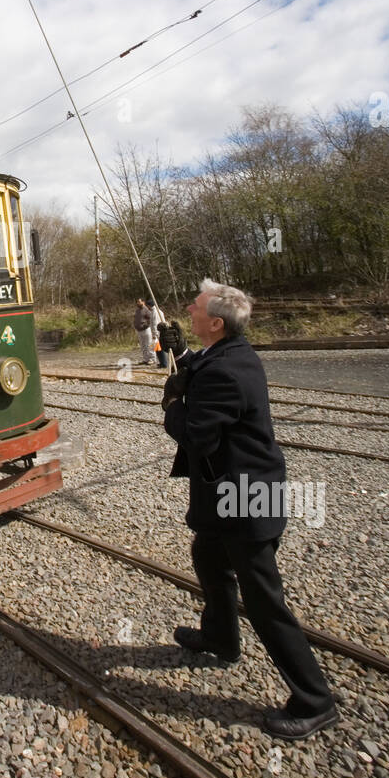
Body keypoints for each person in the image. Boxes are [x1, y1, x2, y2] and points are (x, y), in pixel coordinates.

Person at [158, 280, 338, 740]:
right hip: (230, 494)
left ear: (215, 322)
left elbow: (196, 434)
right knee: (208, 557)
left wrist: (173, 399)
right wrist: (179, 360)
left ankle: (316, 701)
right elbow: (202, 365)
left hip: (246, 500)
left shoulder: (226, 371)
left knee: (264, 601)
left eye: (194, 308)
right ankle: (221, 637)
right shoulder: (225, 353)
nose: (188, 310)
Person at [147, 297, 168, 369]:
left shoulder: (155, 312)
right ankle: (162, 362)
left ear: (149, 305)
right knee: (157, 349)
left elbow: (155, 324)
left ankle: (164, 363)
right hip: (158, 333)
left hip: (158, 333)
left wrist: (155, 334)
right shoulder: (155, 311)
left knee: (159, 349)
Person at [133, 298, 155, 365]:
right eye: (137, 302)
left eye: (139, 302)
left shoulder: (146, 309)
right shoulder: (137, 310)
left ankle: (152, 359)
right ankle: (145, 359)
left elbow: (151, 319)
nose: (138, 303)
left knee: (149, 344)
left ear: (143, 302)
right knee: (143, 346)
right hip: (139, 330)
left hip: (146, 329)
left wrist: (146, 325)